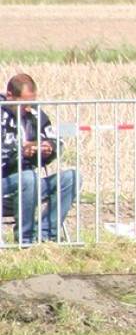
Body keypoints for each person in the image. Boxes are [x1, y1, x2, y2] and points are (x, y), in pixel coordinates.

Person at [1, 74, 79, 246]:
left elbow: (55, 138)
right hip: (5, 183)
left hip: (29, 183)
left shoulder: (35, 114)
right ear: (9, 96)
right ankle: (25, 240)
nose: (28, 108)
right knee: (28, 177)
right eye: (24, 103)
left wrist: (48, 148)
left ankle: (45, 235)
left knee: (72, 178)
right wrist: (20, 151)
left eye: (32, 102)